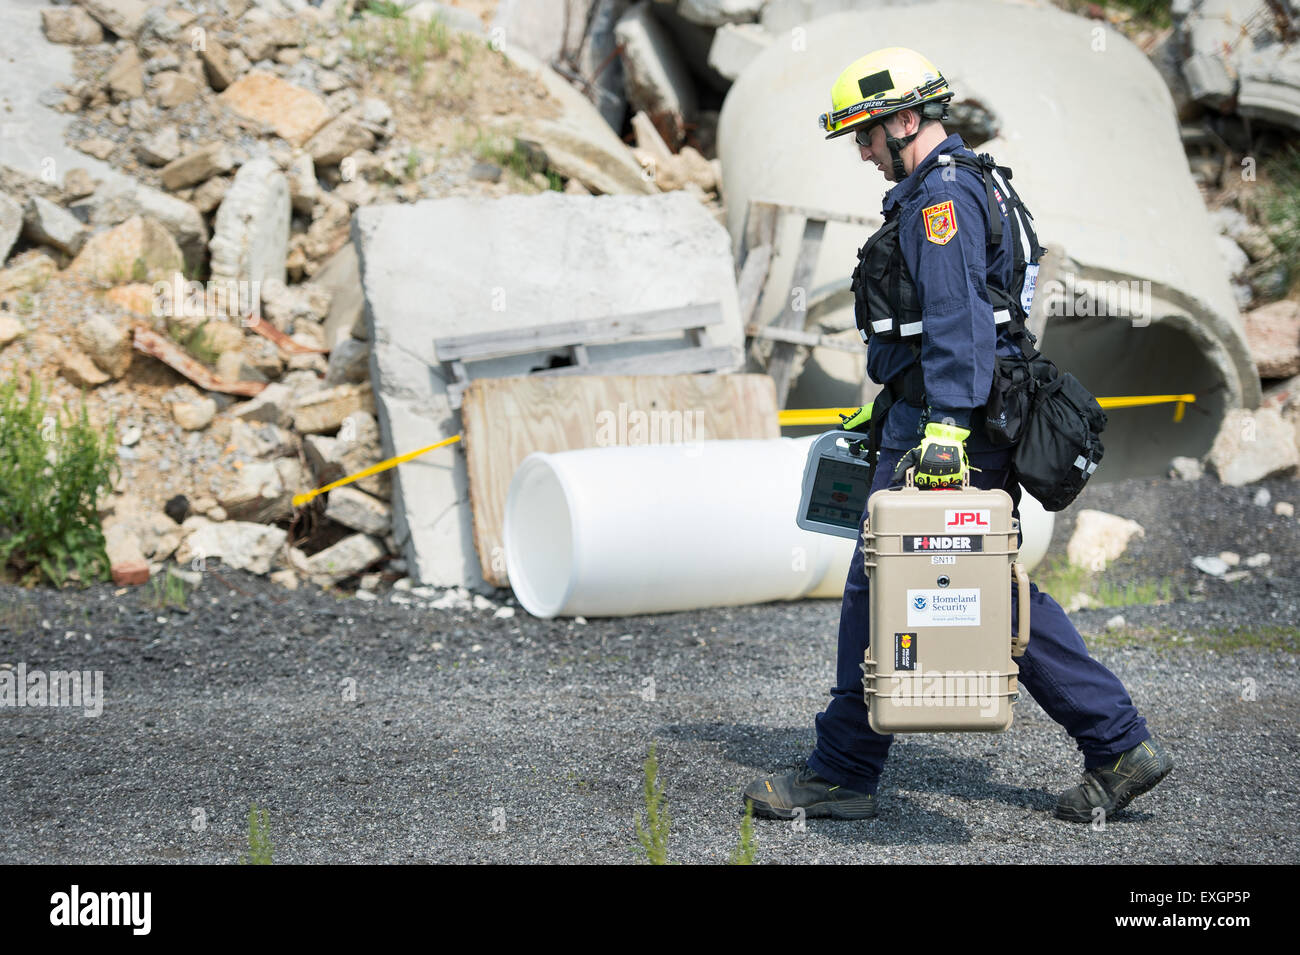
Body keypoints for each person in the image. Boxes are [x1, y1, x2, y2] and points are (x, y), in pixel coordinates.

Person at [743, 47, 1173, 824]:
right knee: (989, 587)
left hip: (954, 427)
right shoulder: (975, 183)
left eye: (868, 136)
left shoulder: (941, 198)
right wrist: (891, 403)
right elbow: (965, 319)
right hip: (959, 412)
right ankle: (1116, 743)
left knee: (882, 586)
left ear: (906, 119)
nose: (864, 153)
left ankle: (843, 772)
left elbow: (959, 319)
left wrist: (939, 424)